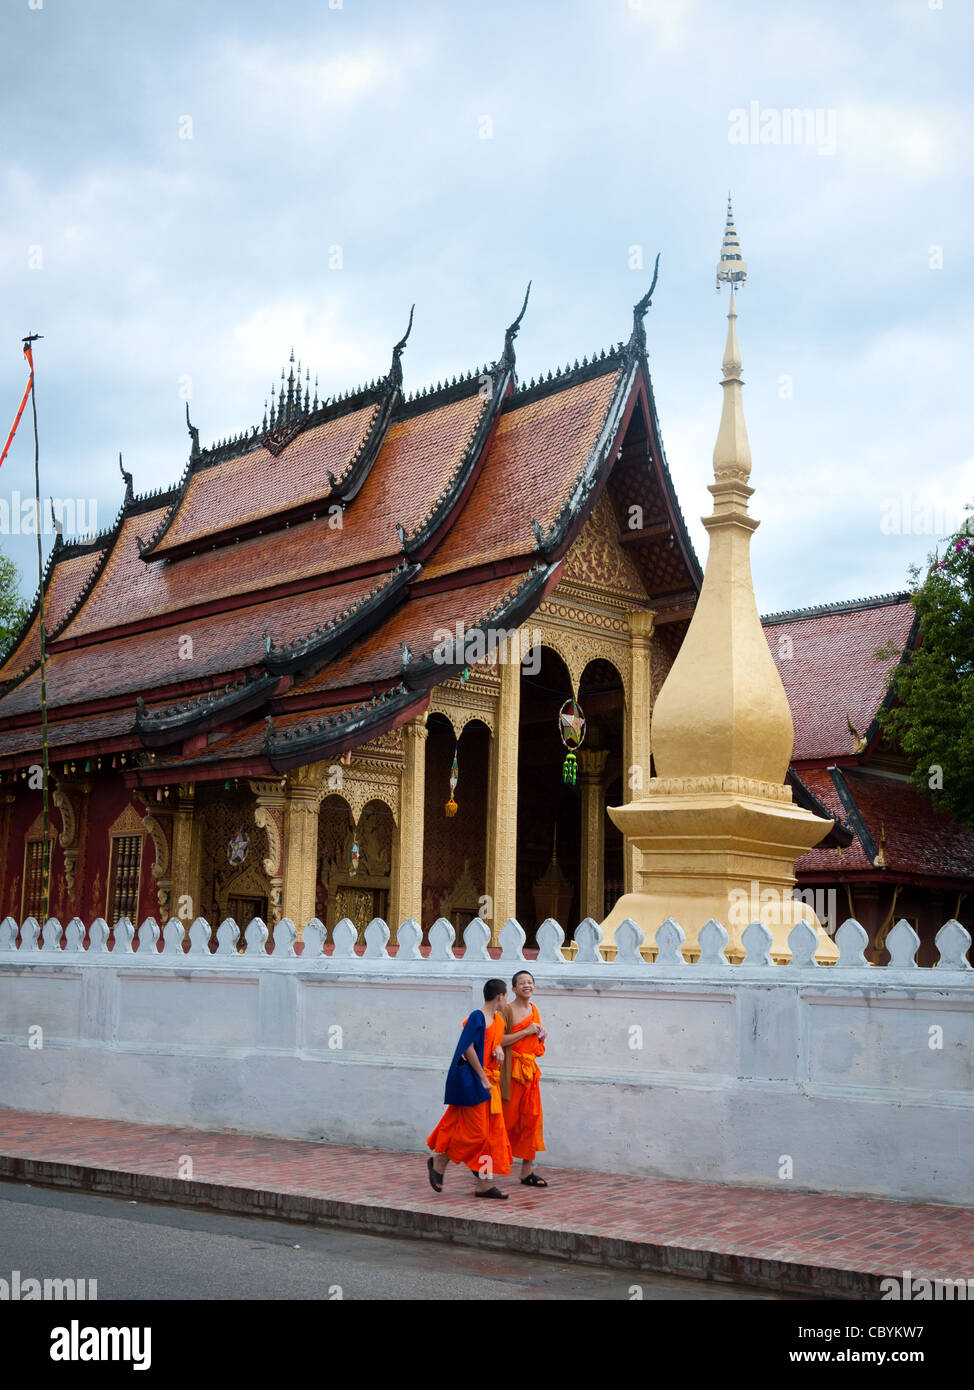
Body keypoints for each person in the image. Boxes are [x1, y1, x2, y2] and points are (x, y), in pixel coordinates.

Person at [427, 978, 513, 1199]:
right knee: (477, 1133)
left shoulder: (499, 1020)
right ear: (500, 996)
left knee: (490, 1136)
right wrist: (483, 1076)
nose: (506, 1001)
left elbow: (491, 1041)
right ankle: (440, 1160)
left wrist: (498, 1049)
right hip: (477, 1083)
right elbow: (468, 1047)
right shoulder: (477, 1016)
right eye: (506, 996)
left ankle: (484, 1185)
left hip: (490, 1084)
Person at [500, 969, 548, 1186]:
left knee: (532, 1119)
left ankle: (526, 1171)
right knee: (505, 1121)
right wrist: (526, 1031)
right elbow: (498, 1040)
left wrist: (539, 1035)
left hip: (530, 1073)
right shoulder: (506, 1011)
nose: (527, 985)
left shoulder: (534, 1009)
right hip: (511, 1073)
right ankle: (483, 1164)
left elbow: (534, 1046)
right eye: (522, 983)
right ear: (513, 989)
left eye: (530, 982)